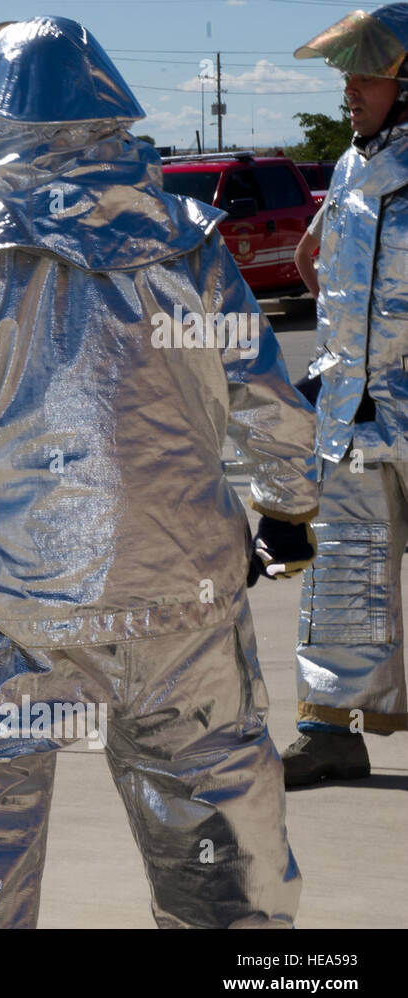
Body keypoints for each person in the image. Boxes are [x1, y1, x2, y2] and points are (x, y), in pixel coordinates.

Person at [0, 16, 318, 928]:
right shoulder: (189, 240)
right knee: (221, 839)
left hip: (22, 603)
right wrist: (287, 511)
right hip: (186, 597)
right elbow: (262, 388)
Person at [284, 4, 408, 785]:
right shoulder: (350, 167)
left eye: (366, 73)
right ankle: (334, 732)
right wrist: (335, 360)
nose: (348, 87)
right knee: (346, 581)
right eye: (347, 73)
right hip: (353, 420)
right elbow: (312, 257)